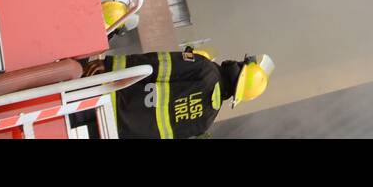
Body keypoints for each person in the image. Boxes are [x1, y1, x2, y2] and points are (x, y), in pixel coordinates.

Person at [80, 47, 273, 139]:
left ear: (238, 73)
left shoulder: (206, 70)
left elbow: (155, 64)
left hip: (104, 98)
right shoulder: (206, 121)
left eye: (240, 64)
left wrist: (109, 65)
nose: (235, 61)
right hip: (109, 133)